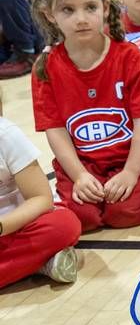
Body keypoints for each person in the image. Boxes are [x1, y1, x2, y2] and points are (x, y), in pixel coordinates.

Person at [32, 0, 140, 232]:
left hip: (133, 156)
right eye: (67, 10)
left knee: (126, 213)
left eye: (90, 7)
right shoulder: (45, 67)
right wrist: (80, 176)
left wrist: (131, 172)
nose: (81, 18)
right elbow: (55, 129)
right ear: (49, 14)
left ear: (106, 8)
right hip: (84, 161)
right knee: (83, 218)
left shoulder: (130, 57)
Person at [0, 98, 83, 288]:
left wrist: (1, 226)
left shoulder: (5, 135)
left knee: (63, 226)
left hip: (23, 223)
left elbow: (41, 199)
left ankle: (25, 263)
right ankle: (39, 264)